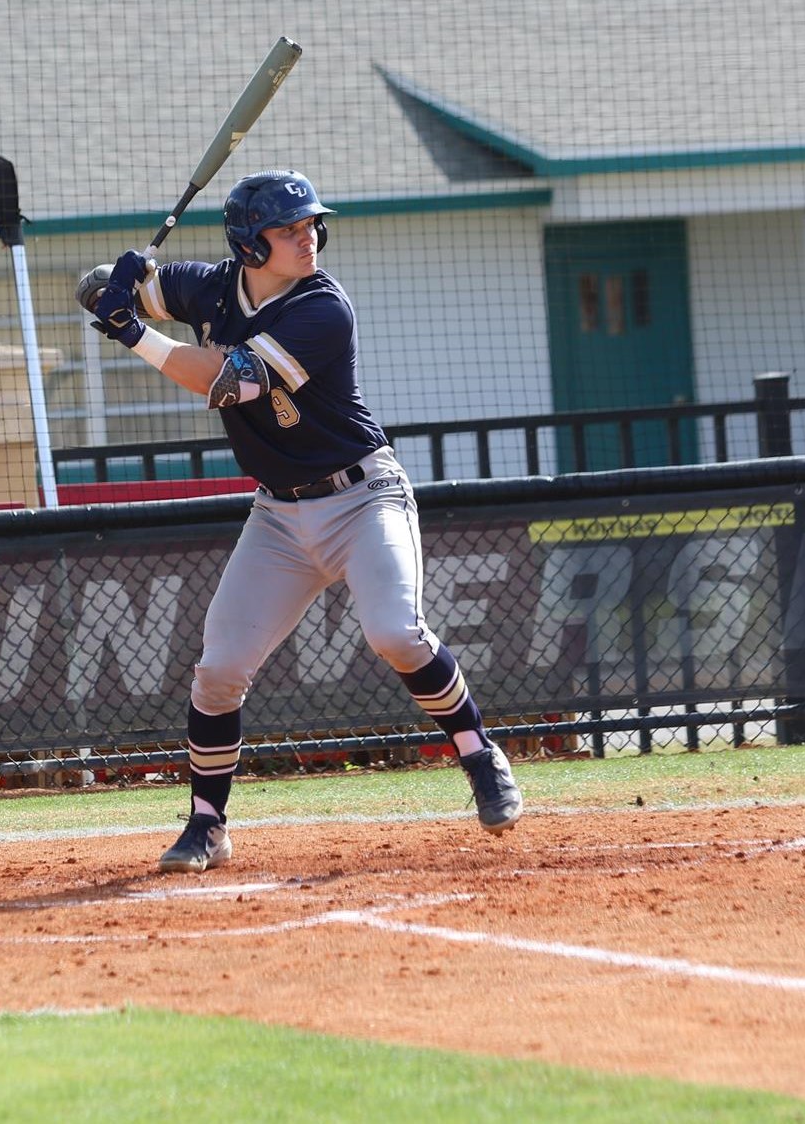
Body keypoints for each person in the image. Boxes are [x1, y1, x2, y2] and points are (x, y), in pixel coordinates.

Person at [79, 169, 523, 874]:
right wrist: (118, 280)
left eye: (311, 225)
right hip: (280, 516)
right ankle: (207, 825)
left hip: (362, 497)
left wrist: (132, 333)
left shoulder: (323, 308)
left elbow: (227, 382)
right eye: (287, 231)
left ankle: (479, 755)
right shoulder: (211, 285)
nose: (307, 238)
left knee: (395, 633)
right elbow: (122, 287)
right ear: (250, 248)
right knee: (219, 668)